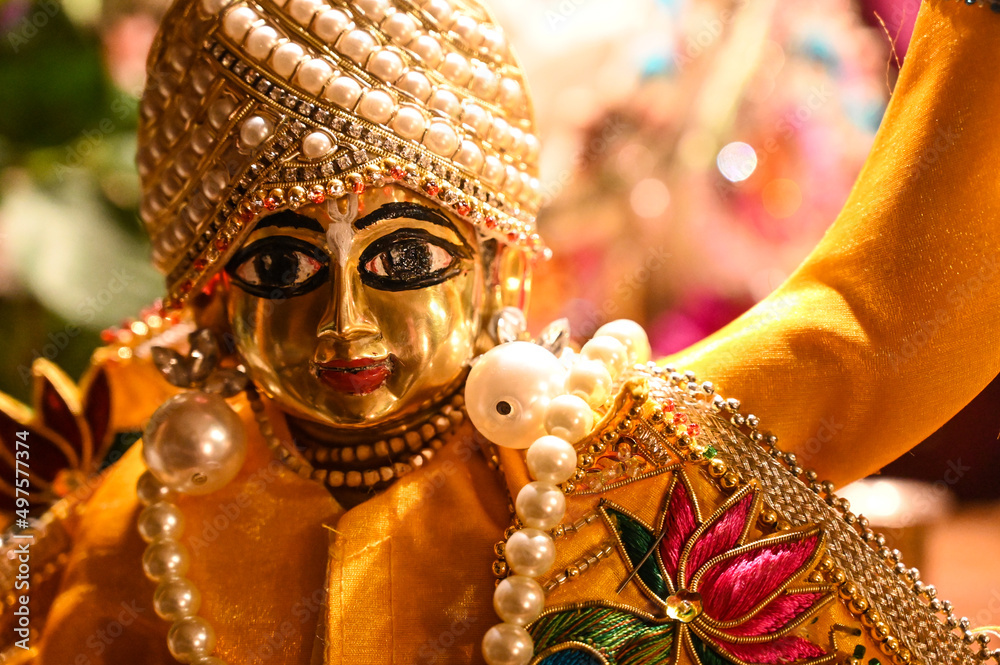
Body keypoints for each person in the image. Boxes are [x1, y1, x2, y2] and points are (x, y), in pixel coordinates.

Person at [2, 0, 999, 663]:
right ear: (209, 298)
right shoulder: (127, 534)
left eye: (401, 260)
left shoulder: (608, 461)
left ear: (493, 265)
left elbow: (872, 325)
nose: (345, 321)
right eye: (280, 267)